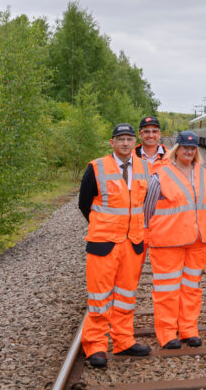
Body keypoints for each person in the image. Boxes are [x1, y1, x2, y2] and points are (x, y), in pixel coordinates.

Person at [77, 123, 151, 368]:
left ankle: (123, 341)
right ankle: (96, 345)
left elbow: (143, 202)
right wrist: (105, 225)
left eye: (129, 139)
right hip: (103, 244)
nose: (125, 143)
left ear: (135, 142)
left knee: (126, 297)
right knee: (99, 298)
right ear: (112, 143)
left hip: (132, 243)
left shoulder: (143, 167)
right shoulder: (96, 167)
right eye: (120, 139)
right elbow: (84, 204)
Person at [144, 131, 206, 349]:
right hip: (168, 241)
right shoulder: (160, 174)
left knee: (191, 287)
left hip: (197, 241)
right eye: (185, 148)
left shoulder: (201, 173)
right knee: (167, 289)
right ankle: (167, 333)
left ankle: (188, 329)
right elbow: (147, 209)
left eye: (192, 149)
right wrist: (147, 236)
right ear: (177, 149)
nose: (189, 152)